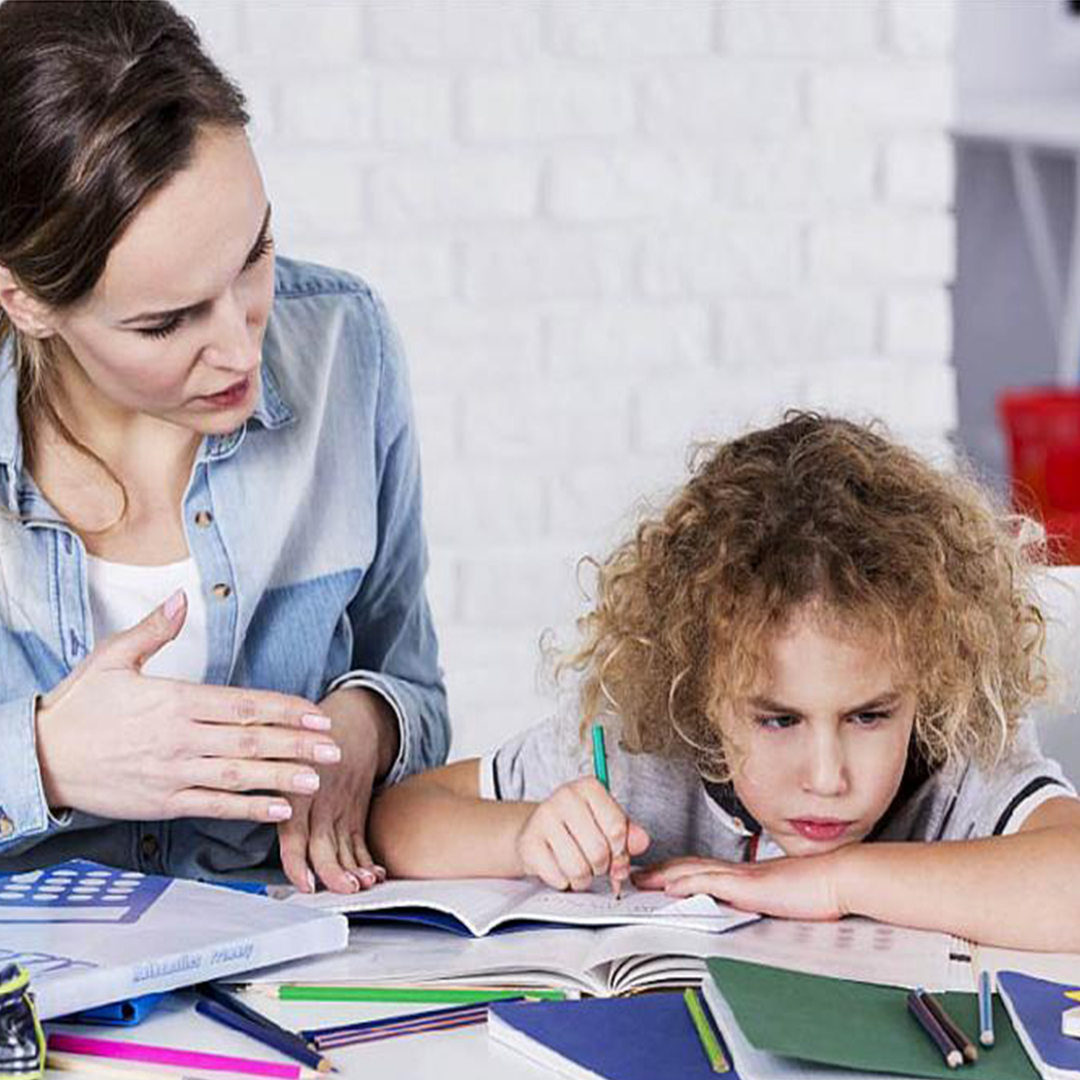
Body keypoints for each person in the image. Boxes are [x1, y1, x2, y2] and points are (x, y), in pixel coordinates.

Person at [0, 0, 449, 894]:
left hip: (290, 954)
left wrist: (365, 725)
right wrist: (44, 759)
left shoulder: (342, 344)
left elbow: (416, 688)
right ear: (26, 301)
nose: (245, 350)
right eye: (166, 323)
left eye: (255, 252)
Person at [370, 412, 1080, 950]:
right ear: (700, 690)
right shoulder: (640, 753)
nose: (827, 778)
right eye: (778, 720)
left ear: (927, 679)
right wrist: (523, 833)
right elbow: (399, 819)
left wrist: (831, 882)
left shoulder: (960, 753)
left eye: (869, 717)